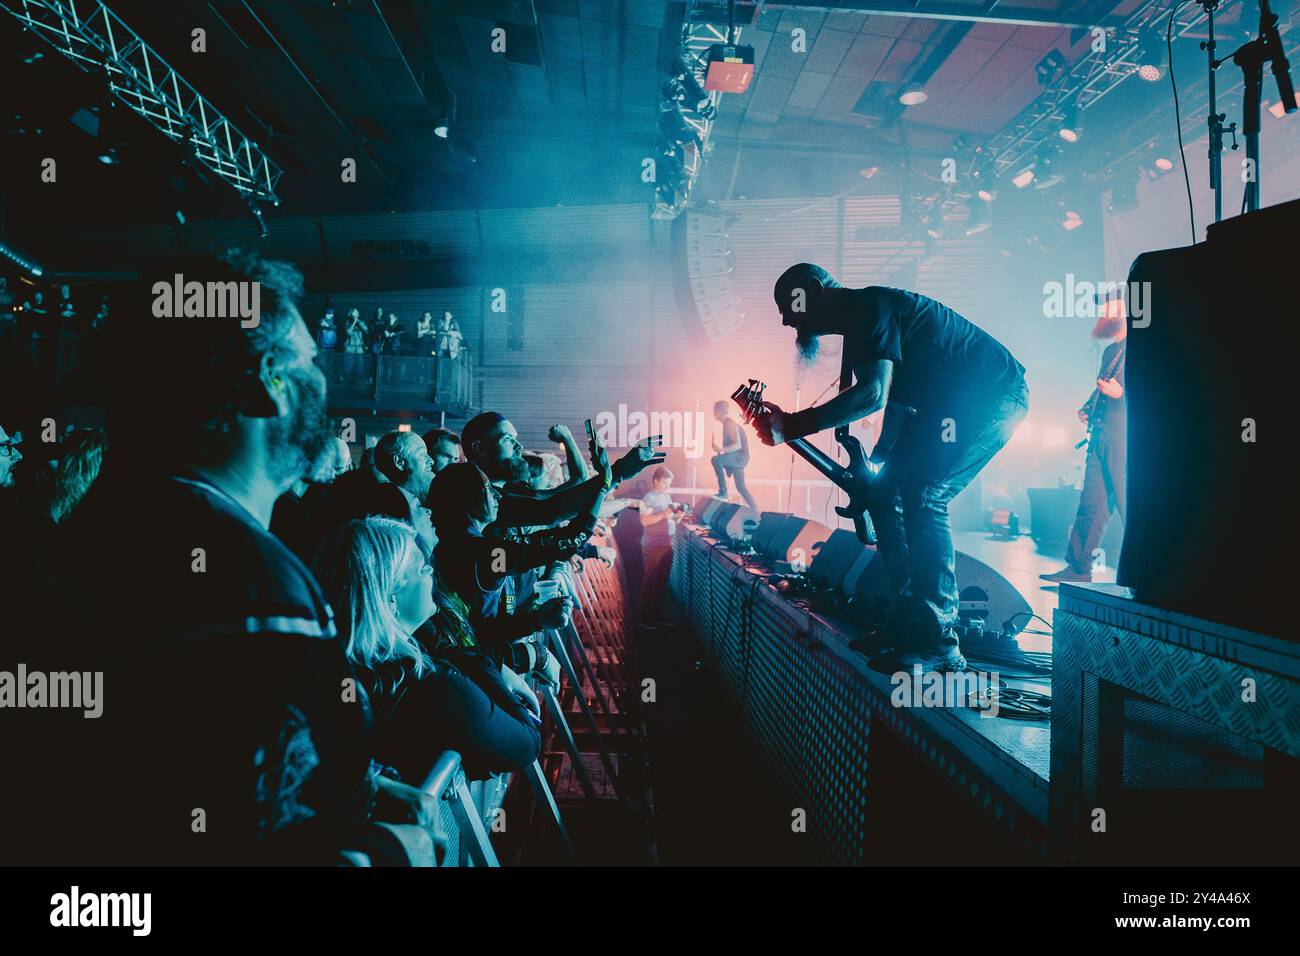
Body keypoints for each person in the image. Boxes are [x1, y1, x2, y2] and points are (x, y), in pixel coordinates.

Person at [45, 249, 390, 864]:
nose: (325, 380)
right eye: (310, 361)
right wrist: (385, 856)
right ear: (267, 383)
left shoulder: (88, 533)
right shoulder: (254, 589)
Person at [760, 263, 1028, 673]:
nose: (784, 320)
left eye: (789, 306)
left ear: (813, 290)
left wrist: (793, 424)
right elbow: (898, 404)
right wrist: (880, 466)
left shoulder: (871, 306)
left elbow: (873, 395)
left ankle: (939, 639)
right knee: (886, 494)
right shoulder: (861, 323)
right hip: (941, 409)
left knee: (924, 494)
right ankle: (908, 623)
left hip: (989, 399)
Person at [313, 517, 541, 781]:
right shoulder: (434, 687)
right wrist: (486, 667)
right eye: (422, 568)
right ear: (390, 597)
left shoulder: (339, 668)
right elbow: (526, 744)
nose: (431, 571)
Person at [1042, 293, 1127, 584]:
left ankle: (1145, 571)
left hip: (1125, 439)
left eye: (1109, 307)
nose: (1103, 313)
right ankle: (1079, 567)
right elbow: (1105, 385)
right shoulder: (1110, 352)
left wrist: (1121, 395)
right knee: (1092, 503)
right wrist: (1088, 407)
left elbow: (1153, 393)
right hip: (1102, 437)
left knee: (1130, 504)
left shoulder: (1144, 349)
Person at [460, 411, 664, 532]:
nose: (518, 446)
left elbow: (554, 501)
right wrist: (617, 473)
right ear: (479, 448)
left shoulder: (505, 490)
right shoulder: (472, 492)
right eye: (507, 439)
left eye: (516, 438)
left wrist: (615, 474)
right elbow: (550, 511)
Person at [371, 430, 437, 555]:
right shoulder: (389, 510)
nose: (431, 461)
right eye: (422, 454)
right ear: (399, 462)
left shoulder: (421, 500)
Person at [638, 466, 686, 628]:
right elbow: (645, 521)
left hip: (666, 544)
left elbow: (670, 519)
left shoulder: (667, 497)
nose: (667, 486)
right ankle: (644, 618)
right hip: (653, 546)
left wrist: (678, 517)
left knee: (661, 582)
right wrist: (665, 513)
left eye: (669, 483)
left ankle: (656, 615)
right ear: (655, 481)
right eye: (665, 483)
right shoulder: (648, 499)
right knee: (650, 582)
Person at [711, 399, 757, 512]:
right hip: (738, 457)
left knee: (716, 460)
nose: (713, 414)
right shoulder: (727, 424)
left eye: (714, 411)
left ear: (719, 411)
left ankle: (723, 492)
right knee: (741, 488)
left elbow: (737, 445)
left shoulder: (729, 423)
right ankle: (756, 510)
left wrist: (721, 450)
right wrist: (722, 453)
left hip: (739, 457)